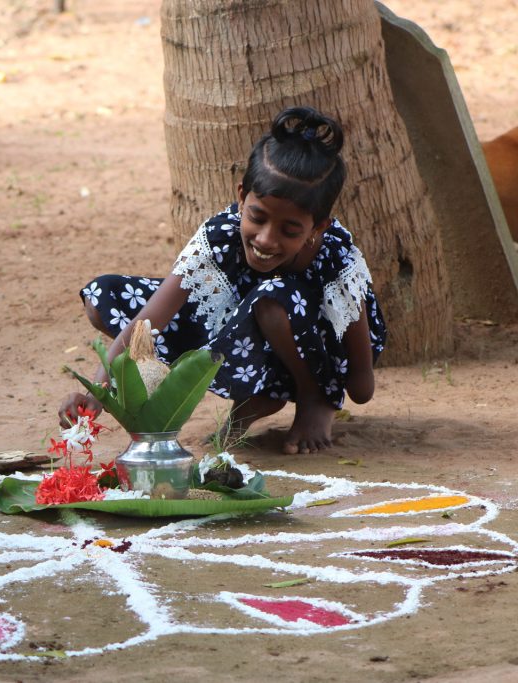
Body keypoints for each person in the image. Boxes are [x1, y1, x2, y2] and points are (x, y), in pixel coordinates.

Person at [58, 106, 387, 454]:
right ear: (242, 195)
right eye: (257, 217)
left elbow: (360, 368)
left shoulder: (336, 253)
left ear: (317, 227)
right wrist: (98, 390)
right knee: (104, 296)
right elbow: (149, 320)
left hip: (317, 351)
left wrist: (351, 384)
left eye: (289, 230)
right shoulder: (219, 234)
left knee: (273, 297)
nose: (265, 239)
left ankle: (312, 397)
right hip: (237, 331)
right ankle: (258, 395)